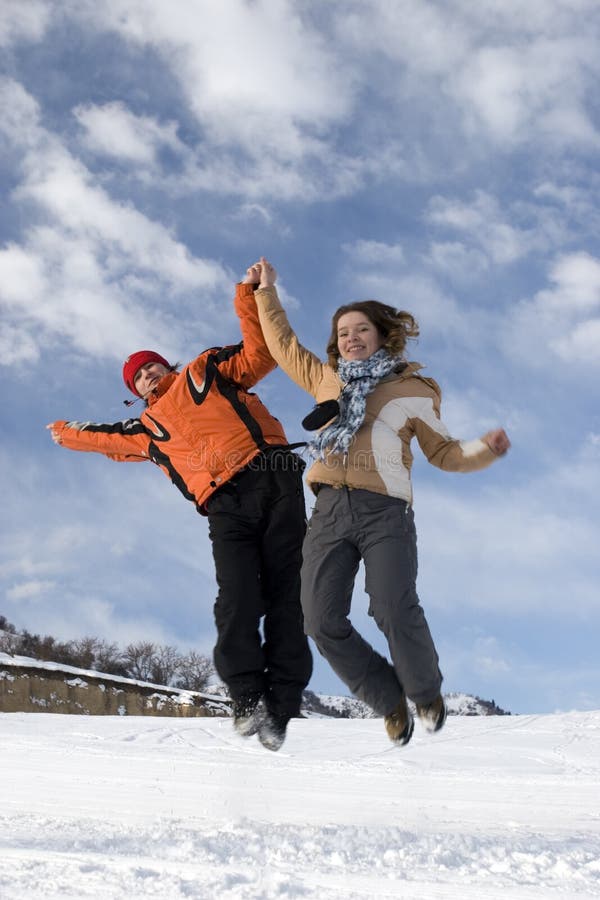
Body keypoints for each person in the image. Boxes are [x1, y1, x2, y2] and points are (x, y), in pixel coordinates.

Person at [47, 264, 313, 751]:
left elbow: (260, 353)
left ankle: (281, 706)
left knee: (288, 595)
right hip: (223, 506)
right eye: (138, 379)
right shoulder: (145, 431)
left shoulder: (205, 370)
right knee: (236, 599)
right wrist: (65, 432)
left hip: (272, 476)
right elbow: (100, 438)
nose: (147, 376)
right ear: (136, 393)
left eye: (151, 366)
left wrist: (249, 295)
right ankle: (247, 698)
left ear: (166, 365)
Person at [252, 257, 510, 746]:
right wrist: (266, 292)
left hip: (385, 511)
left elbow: (446, 453)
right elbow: (282, 344)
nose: (351, 337)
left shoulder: (414, 389)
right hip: (328, 510)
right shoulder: (327, 380)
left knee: (391, 605)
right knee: (319, 618)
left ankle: (425, 692)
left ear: (381, 333)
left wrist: (484, 449)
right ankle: (388, 700)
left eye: (361, 329)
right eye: (343, 331)